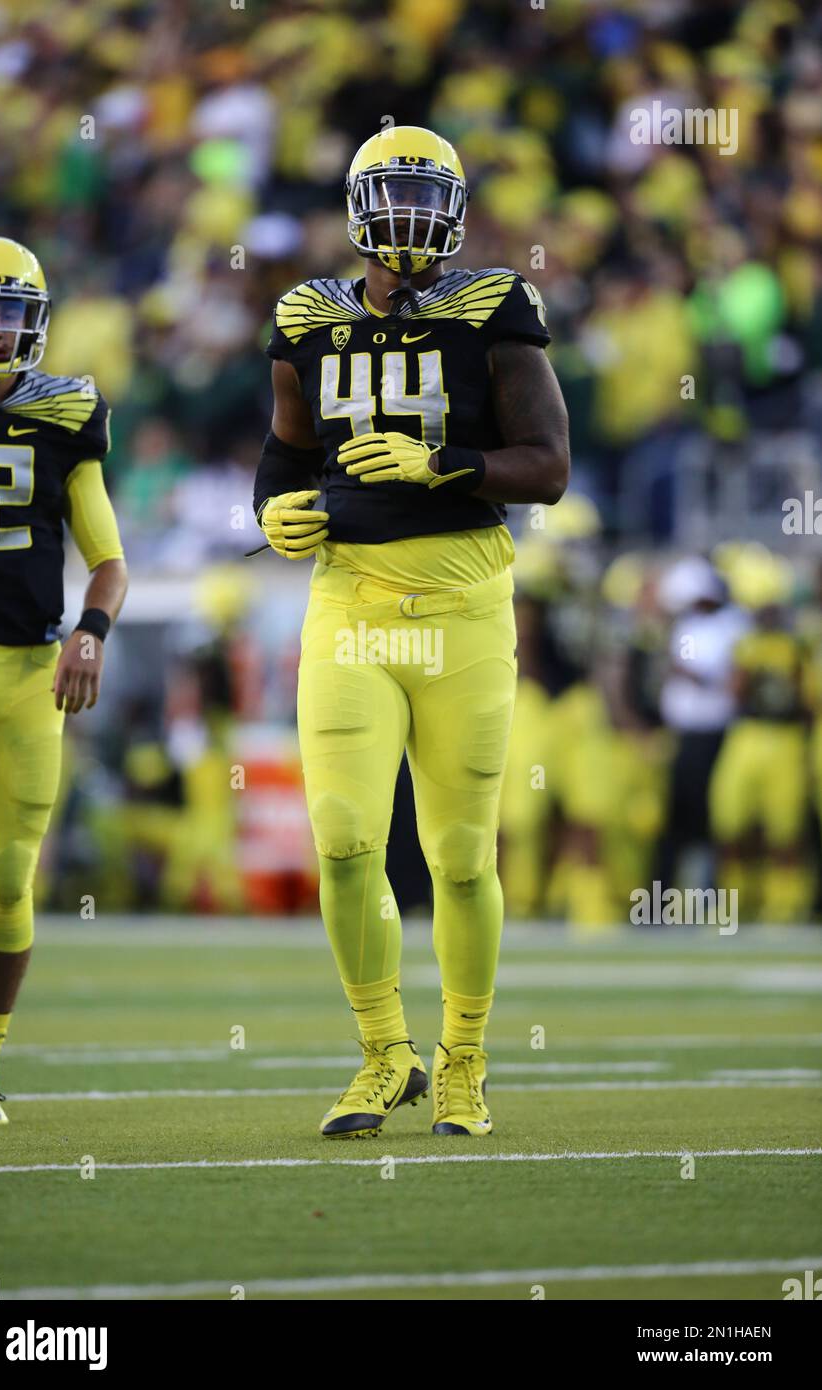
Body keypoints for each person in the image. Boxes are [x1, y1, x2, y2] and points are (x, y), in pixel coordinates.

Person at [253, 126, 569, 1137]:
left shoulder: (491, 308)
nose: (406, 221)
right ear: (355, 209)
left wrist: (446, 465)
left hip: (463, 603)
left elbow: (547, 466)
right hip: (349, 599)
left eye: (424, 199)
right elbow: (283, 451)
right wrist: (273, 510)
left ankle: (463, 1060)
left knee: (459, 854)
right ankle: (383, 1054)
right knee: (344, 842)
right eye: (388, 198)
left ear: (457, 210)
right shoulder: (306, 316)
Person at [0, 237, 128, 1124]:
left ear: (36, 322)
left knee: (10, 881)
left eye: (11, 311)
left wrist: (92, 634)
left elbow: (108, 560)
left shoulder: (64, 413)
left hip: (29, 676)